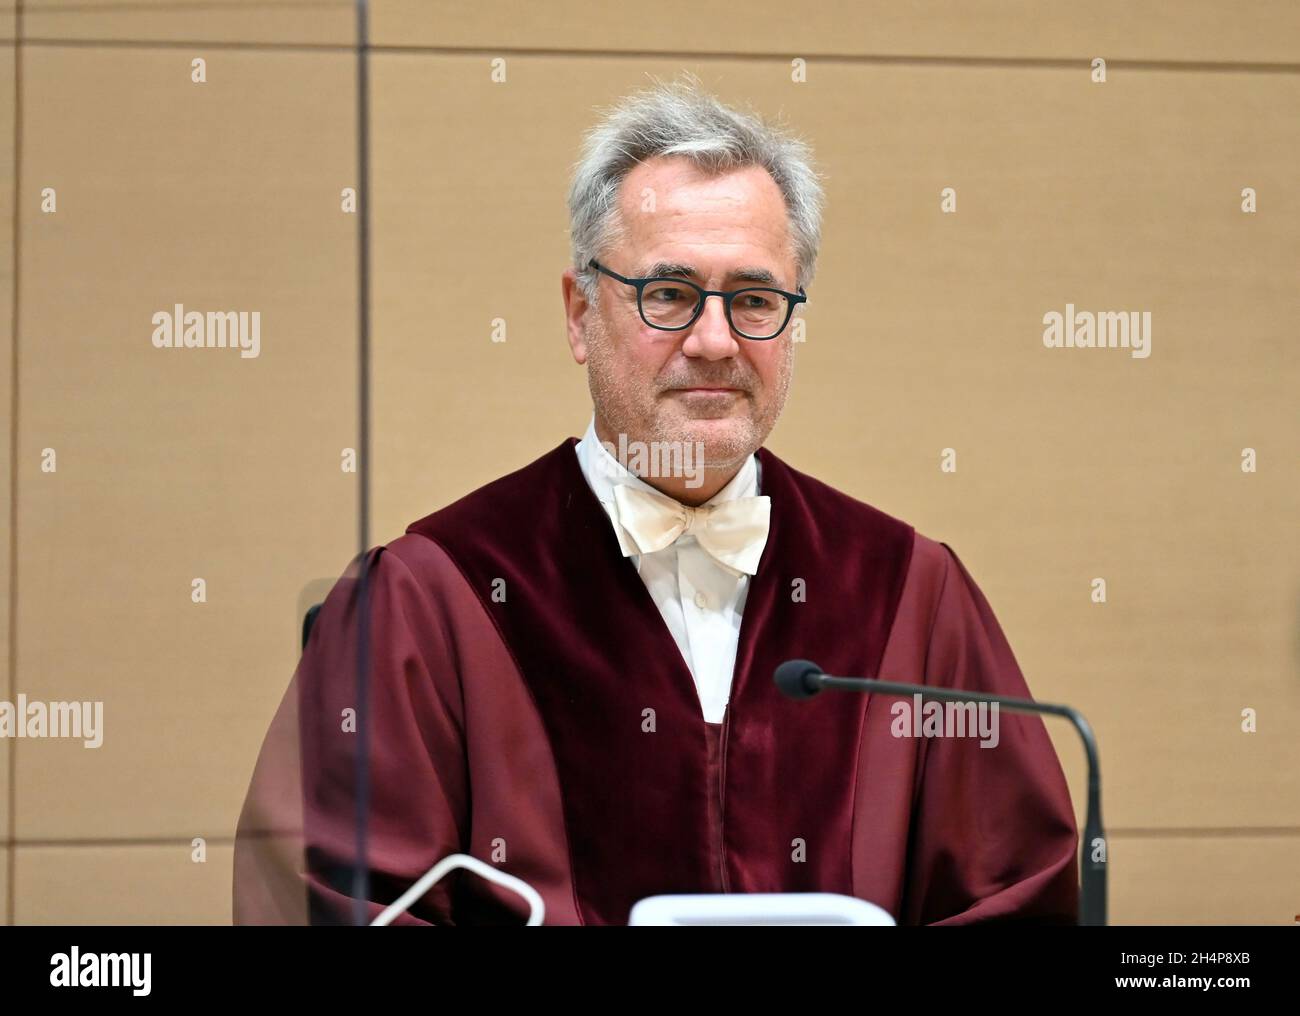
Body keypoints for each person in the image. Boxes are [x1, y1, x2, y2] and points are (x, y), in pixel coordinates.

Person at [234, 75, 1079, 926]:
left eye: (754, 301)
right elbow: (331, 907)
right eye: (669, 295)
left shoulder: (911, 596)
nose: (714, 342)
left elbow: (1017, 898)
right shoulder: (428, 600)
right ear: (579, 314)